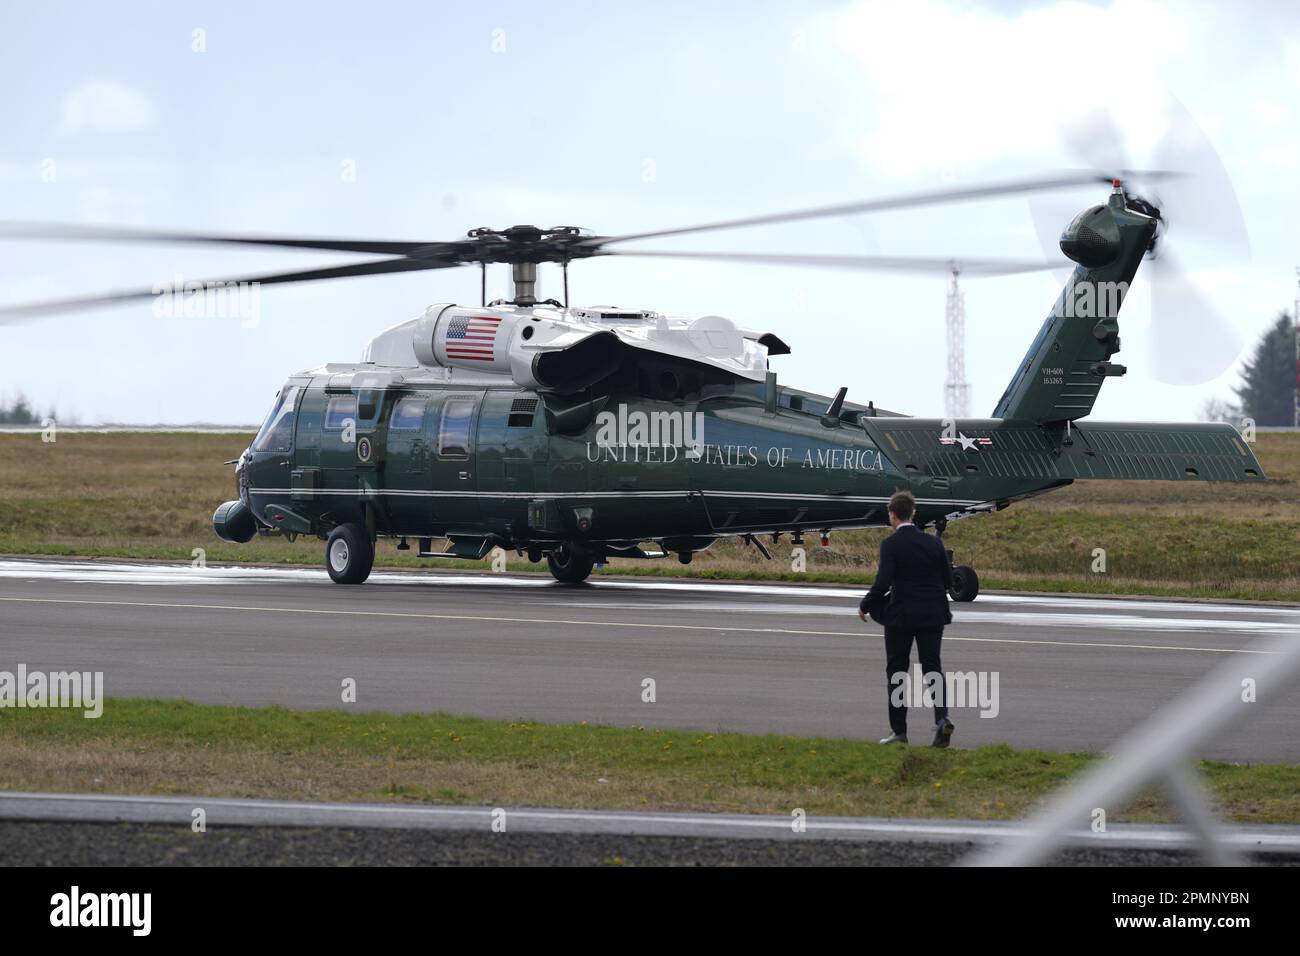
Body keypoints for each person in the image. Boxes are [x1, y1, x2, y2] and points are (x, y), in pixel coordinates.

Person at [857, 490, 955, 747]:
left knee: (897, 672)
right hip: (933, 613)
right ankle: (942, 719)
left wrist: (865, 605)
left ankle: (899, 731)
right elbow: (947, 580)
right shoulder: (934, 543)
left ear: (892, 515)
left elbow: (882, 583)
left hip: (902, 615)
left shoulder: (890, 545)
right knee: (933, 667)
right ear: (913, 513)